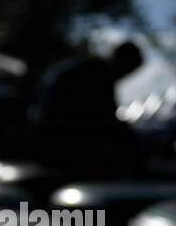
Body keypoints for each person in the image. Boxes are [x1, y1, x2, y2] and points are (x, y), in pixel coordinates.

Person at [28, 41, 144, 177]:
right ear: (119, 58)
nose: (126, 75)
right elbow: (106, 122)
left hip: (43, 140)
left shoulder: (88, 69)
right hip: (56, 145)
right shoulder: (97, 77)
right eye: (128, 68)